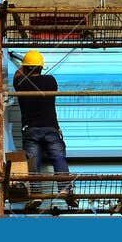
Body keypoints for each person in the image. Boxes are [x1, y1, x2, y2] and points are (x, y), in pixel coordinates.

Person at [12, 50, 77, 210]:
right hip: (51, 128)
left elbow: (17, 75)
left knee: (33, 162)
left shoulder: (21, 84)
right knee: (58, 157)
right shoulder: (50, 81)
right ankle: (64, 189)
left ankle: (36, 195)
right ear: (41, 67)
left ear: (26, 68)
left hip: (31, 129)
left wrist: (21, 64)